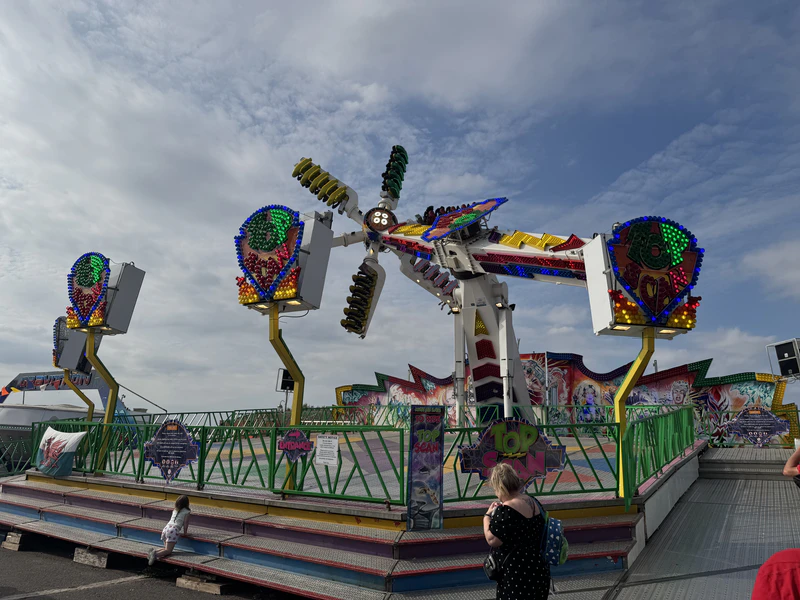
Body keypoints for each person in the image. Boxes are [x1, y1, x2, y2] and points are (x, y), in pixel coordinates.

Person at [483, 463, 550, 599]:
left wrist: (487, 517)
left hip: (516, 576)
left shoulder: (506, 510)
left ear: (500, 487)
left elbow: (492, 540)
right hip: (539, 571)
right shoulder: (534, 502)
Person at [148, 495, 191, 565]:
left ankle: (154, 551)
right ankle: (155, 555)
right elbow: (186, 523)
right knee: (168, 551)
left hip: (166, 528)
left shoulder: (175, 510)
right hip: (173, 530)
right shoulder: (187, 511)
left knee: (166, 549)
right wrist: (185, 533)